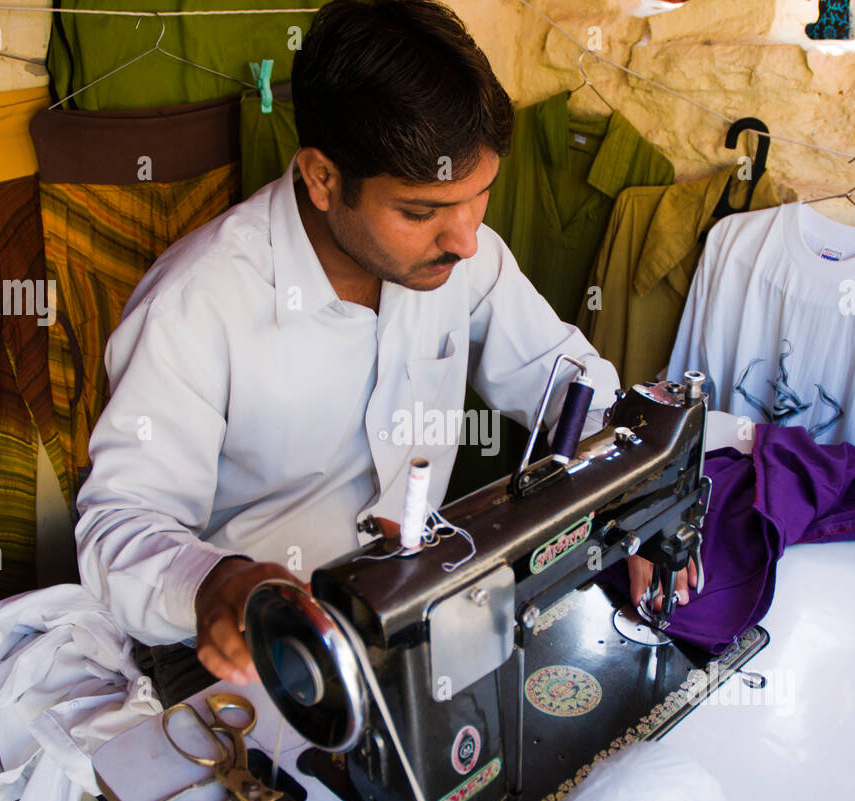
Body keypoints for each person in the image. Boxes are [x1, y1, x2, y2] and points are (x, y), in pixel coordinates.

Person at [75, 0, 694, 687]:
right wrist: (218, 582)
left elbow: (562, 373)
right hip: (257, 660)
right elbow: (119, 524)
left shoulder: (464, 254)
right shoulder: (196, 307)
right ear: (321, 178)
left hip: (414, 621)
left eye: (480, 195)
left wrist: (642, 482)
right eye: (421, 211)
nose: (464, 238)